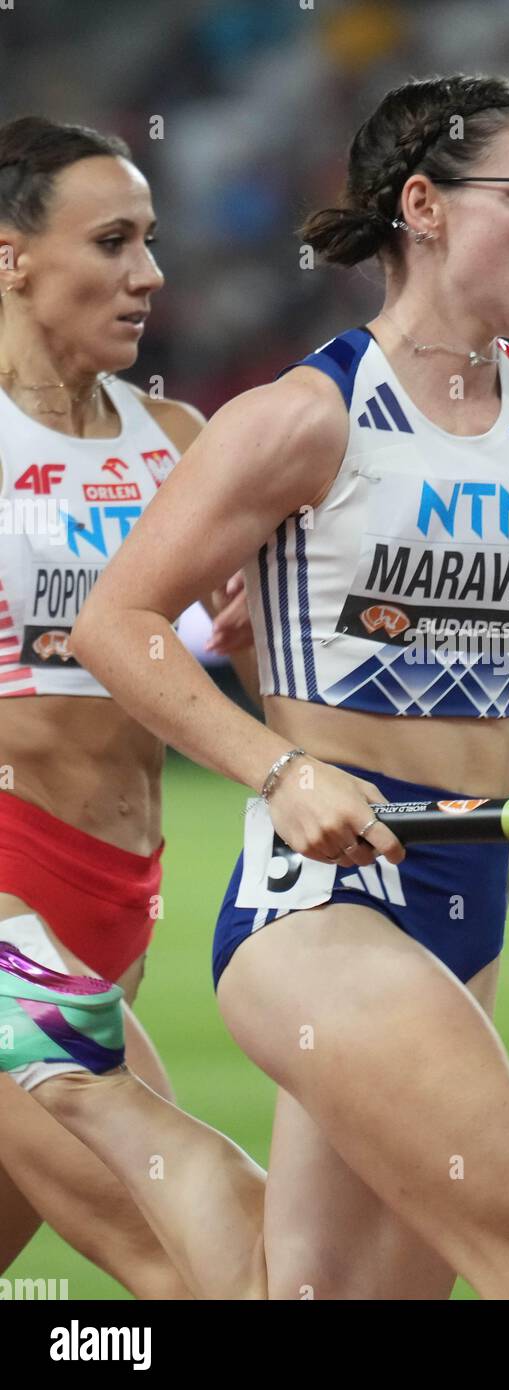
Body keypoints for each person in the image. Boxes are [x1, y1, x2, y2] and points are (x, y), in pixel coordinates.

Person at [70, 74, 509, 1301]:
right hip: (322, 909)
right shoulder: (304, 417)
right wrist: (280, 769)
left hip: (471, 886)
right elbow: (115, 623)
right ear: (424, 206)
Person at [0, 115, 266, 1299]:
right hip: (13, 904)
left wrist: (259, 649)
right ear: (12, 258)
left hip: (116, 903)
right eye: (111, 241)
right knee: (210, 1259)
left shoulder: (180, 444)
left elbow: (238, 665)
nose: (149, 275)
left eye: (150, 242)